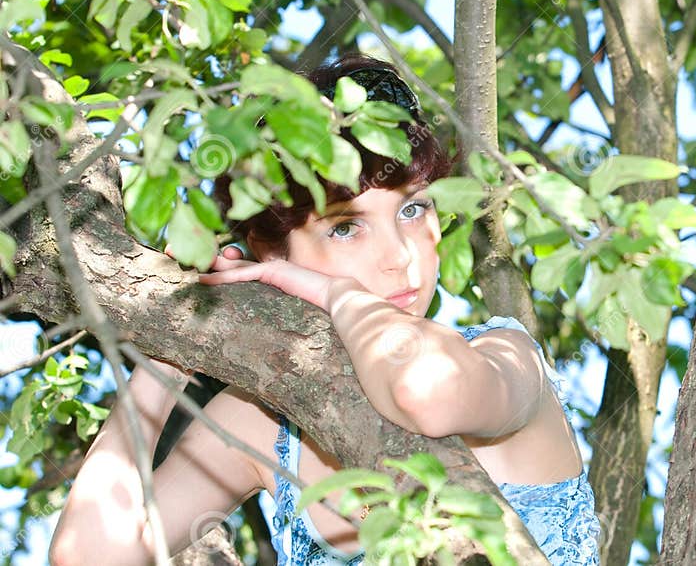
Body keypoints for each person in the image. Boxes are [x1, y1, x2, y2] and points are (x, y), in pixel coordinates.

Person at [48, 53, 601, 566]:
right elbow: (91, 556)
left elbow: (424, 393)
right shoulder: (262, 424)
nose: (399, 255)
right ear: (271, 255)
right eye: (345, 227)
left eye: (412, 209)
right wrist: (170, 345)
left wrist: (340, 295)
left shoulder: (506, 355)